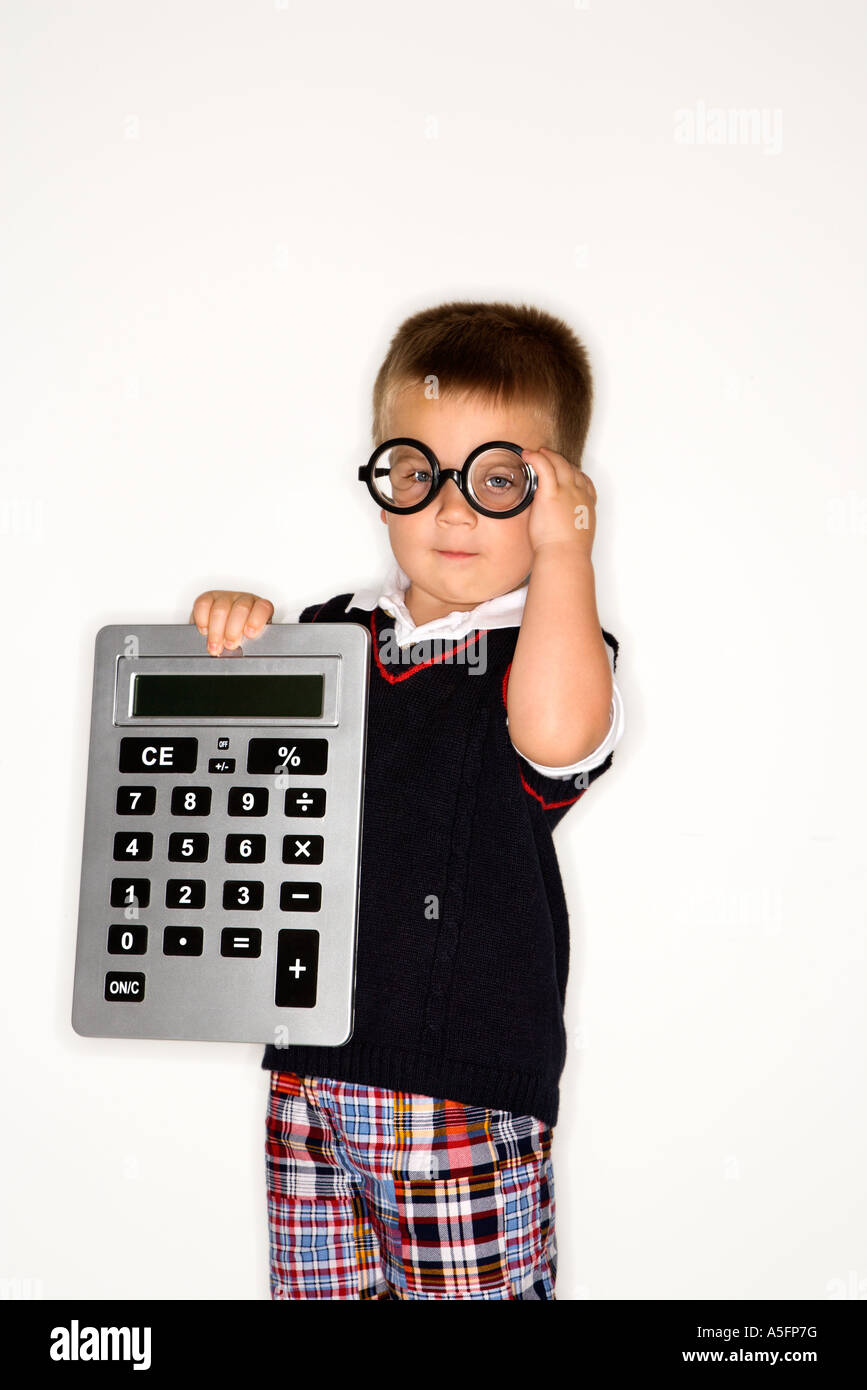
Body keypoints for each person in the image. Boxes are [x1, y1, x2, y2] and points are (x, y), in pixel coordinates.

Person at [189, 299, 624, 1299]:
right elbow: (237, 775)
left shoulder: (547, 650)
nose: (452, 511)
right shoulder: (331, 633)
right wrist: (235, 632)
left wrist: (567, 557)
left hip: (460, 1092)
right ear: (382, 480)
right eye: (419, 472)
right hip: (308, 1070)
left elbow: (558, 733)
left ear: (556, 493)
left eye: (499, 480)